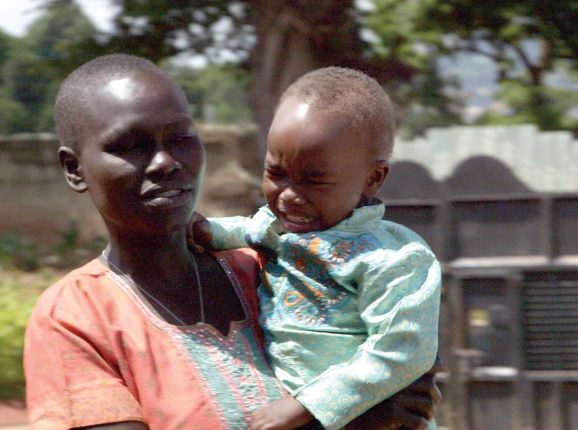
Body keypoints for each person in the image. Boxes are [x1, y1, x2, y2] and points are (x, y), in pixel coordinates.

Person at [22, 54, 441, 430]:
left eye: (181, 138)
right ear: (74, 168)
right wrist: (350, 420)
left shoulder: (272, 267)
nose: (166, 162)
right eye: (130, 146)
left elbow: (402, 358)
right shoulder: (76, 317)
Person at [189, 67, 441, 430]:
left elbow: (404, 351)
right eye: (277, 174)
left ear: (372, 179)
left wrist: (308, 405)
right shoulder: (278, 226)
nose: (290, 195)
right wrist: (207, 231)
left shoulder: (392, 259)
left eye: (314, 181)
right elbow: (248, 228)